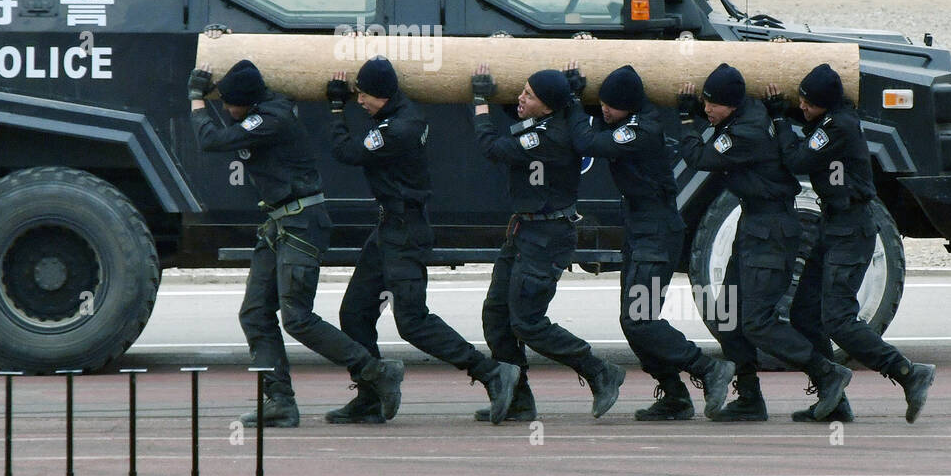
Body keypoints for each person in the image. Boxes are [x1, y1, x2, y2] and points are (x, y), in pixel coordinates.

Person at [188, 58, 404, 427]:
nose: (225, 109)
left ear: (248, 102)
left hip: (301, 223)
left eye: (229, 103)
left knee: (297, 318)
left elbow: (212, 140)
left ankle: (376, 371)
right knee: (255, 313)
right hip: (279, 222)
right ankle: (280, 402)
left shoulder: (271, 119)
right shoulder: (263, 111)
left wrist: (196, 97)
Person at [324, 57, 521, 424]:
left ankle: (492, 372)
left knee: (412, 321)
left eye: (361, 94)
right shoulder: (396, 115)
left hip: (405, 231)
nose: (358, 100)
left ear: (380, 95)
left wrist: (336, 108)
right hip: (388, 230)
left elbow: (346, 152)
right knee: (354, 312)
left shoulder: (399, 127)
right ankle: (370, 393)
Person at [678, 63, 852, 422]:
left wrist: (686, 120)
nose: (707, 109)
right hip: (754, 225)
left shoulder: (747, 132)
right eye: (705, 103)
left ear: (733, 104)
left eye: (713, 104)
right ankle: (749, 397)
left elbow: (699, 157)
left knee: (757, 321)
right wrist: (703, 111)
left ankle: (826, 372)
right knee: (727, 312)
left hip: (772, 230)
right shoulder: (746, 113)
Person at [768, 64, 936, 424]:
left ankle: (908, 373)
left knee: (839, 321)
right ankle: (835, 399)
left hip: (852, 229)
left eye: (807, 103)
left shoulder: (837, 127)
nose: (803, 107)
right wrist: (787, 109)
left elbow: (797, 158)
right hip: (833, 225)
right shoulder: (830, 118)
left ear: (825, 104)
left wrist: (780, 123)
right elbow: (809, 123)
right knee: (803, 313)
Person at [568, 63, 734, 420]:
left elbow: (586, 141)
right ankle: (675, 394)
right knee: (634, 321)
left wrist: (572, 100)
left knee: (639, 319)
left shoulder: (642, 130)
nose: (605, 110)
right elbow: (593, 128)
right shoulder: (625, 120)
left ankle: (708, 369)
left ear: (628, 105)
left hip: (656, 235)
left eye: (610, 105)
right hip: (641, 233)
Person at [471, 63, 627, 421]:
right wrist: (571, 91)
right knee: (496, 314)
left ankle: (600, 371)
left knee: (527, 322)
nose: (520, 98)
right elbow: (546, 111)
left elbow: (492, 147)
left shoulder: (548, 136)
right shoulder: (557, 116)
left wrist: (479, 101)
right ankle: (518, 399)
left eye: (529, 95)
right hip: (524, 230)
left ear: (548, 106)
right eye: (522, 90)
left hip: (547, 238)